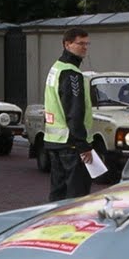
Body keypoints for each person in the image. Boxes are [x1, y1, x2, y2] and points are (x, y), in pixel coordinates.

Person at [42, 27, 97, 202]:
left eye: (87, 44)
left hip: (55, 142)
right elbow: (74, 111)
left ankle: (52, 227)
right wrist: (83, 145)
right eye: (80, 43)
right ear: (67, 44)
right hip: (71, 145)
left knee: (58, 194)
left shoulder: (56, 68)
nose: (85, 48)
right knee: (76, 198)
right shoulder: (71, 73)